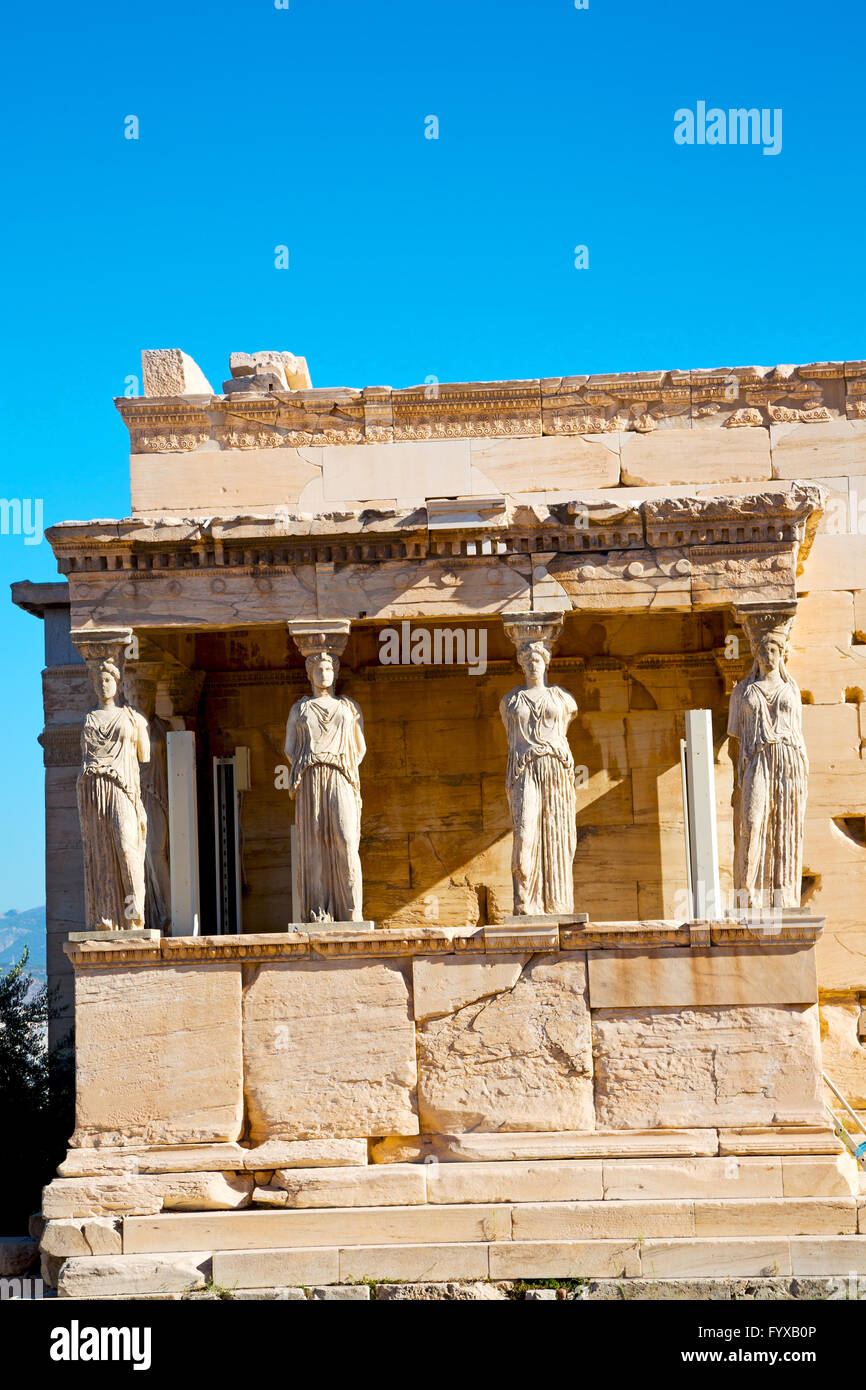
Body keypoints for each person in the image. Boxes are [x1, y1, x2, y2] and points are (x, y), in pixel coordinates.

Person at [727, 626, 808, 910]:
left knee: (783, 823)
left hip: (787, 760)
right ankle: (747, 894)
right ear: (755, 653)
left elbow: (797, 733)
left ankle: (782, 897)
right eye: (763, 649)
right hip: (756, 759)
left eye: (773, 650)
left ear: (782, 653)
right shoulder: (742, 691)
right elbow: (733, 741)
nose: (768, 655)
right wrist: (737, 783)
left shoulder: (791, 689)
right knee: (752, 820)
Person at [284, 649, 366, 922]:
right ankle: (317, 912)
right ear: (309, 674)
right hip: (310, 777)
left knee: (346, 838)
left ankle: (352, 909)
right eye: (318, 669)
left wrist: (340, 763)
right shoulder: (300, 709)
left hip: (341, 773)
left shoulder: (348, 707)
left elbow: (360, 747)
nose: (324, 674)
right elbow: (290, 748)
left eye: (329, 669)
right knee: (314, 843)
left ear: (336, 673)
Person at [500, 640, 578, 915]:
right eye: (527, 659)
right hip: (524, 769)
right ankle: (525, 902)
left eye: (537, 659)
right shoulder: (510, 701)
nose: (533, 663)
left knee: (557, 831)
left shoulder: (562, 698)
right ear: (521, 664)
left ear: (546, 662)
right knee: (525, 833)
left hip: (556, 767)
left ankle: (558, 904)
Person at [77, 657, 149, 931]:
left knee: (126, 846)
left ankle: (134, 913)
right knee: (101, 850)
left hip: (123, 788)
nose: (103, 685)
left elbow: (145, 755)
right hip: (93, 788)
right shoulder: (89, 718)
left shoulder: (133, 718)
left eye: (107, 680)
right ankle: (106, 917)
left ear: (117, 684)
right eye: (99, 681)